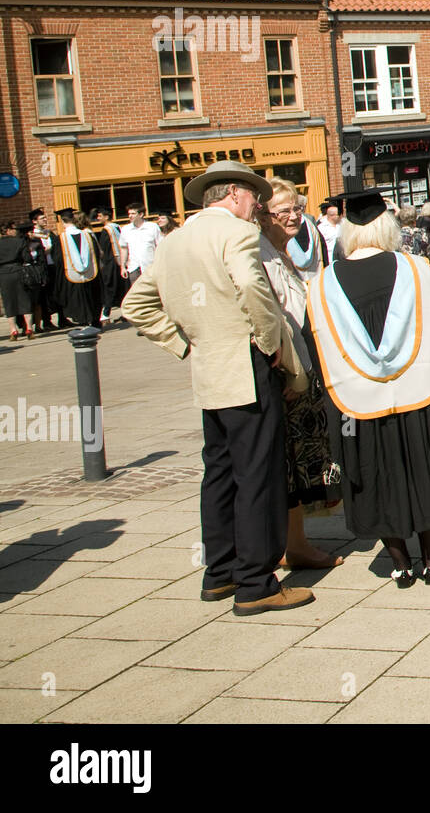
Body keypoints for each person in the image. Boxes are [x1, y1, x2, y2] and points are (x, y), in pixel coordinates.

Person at [122, 161, 314, 615]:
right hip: (247, 367)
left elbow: (136, 304)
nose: (259, 206)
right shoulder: (236, 233)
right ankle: (256, 583)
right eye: (254, 197)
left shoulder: (174, 241)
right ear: (233, 193)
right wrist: (269, 344)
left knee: (221, 473)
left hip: (210, 368)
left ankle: (221, 573)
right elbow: (251, 285)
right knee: (258, 476)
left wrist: (184, 343)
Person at [302, 190, 430, 588]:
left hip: (357, 402)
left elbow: (315, 344)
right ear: (387, 226)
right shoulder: (418, 270)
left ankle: (399, 563)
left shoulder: (322, 286)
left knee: (375, 473)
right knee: (423, 467)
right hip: (417, 393)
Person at [256, 179, 343, 571]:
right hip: (289, 375)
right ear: (263, 214)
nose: (294, 216)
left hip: (303, 368)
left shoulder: (282, 250)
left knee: (299, 462)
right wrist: (291, 373)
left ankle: (296, 542)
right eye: (283, 210)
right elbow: (269, 319)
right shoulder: (260, 253)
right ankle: (293, 546)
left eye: (297, 207)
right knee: (289, 465)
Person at [48, 209, 102, 328]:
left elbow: (57, 259)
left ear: (62, 221)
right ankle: (95, 321)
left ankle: (83, 321)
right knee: (92, 296)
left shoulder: (60, 239)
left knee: (76, 297)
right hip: (91, 273)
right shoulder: (87, 235)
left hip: (71, 275)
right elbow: (96, 254)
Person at [0, 222, 41, 339]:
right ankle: (28, 328)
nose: (16, 231)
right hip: (19, 271)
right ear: (7, 230)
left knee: (8, 301)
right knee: (24, 299)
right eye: (13, 229)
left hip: (3, 274)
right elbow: (27, 258)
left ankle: (13, 330)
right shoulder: (19, 241)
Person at [90, 208, 128, 324]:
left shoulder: (107, 230)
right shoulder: (117, 227)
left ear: (106, 217)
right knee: (121, 288)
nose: (98, 218)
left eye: (100, 216)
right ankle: (125, 313)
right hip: (119, 261)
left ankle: (106, 314)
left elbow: (104, 249)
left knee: (109, 288)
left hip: (110, 263)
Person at [119, 202, 161, 287]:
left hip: (150, 266)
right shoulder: (125, 229)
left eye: (133, 213)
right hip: (134, 268)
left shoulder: (152, 227)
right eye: (129, 214)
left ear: (141, 214)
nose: (130, 216)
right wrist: (123, 267)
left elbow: (159, 246)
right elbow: (124, 249)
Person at [317, 197, 343, 266]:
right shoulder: (321, 228)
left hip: (342, 259)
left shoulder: (342, 224)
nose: (341, 216)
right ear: (332, 216)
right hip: (329, 261)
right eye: (338, 214)